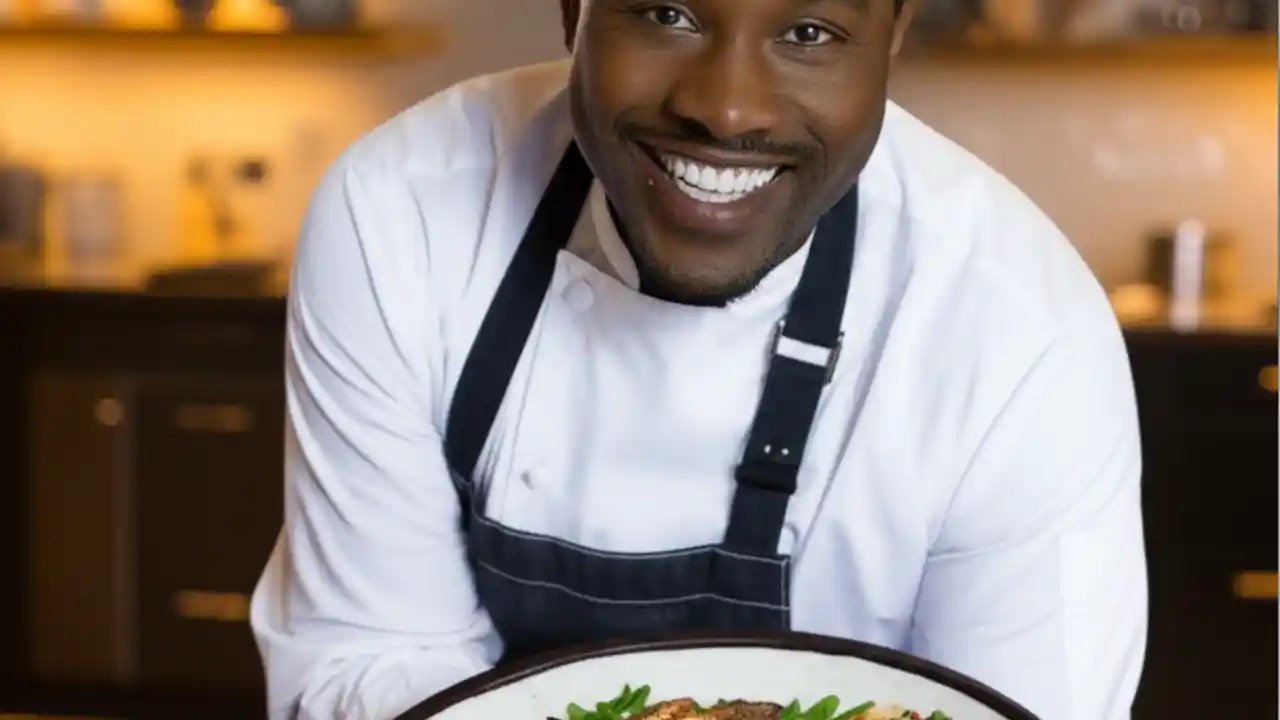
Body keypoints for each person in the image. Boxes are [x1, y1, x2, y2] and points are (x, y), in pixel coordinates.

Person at [250, 0, 1148, 717]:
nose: (725, 109)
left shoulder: (1017, 323)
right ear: (574, 12)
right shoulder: (402, 214)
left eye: (809, 32)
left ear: (894, 36)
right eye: (665, 12)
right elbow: (366, 660)